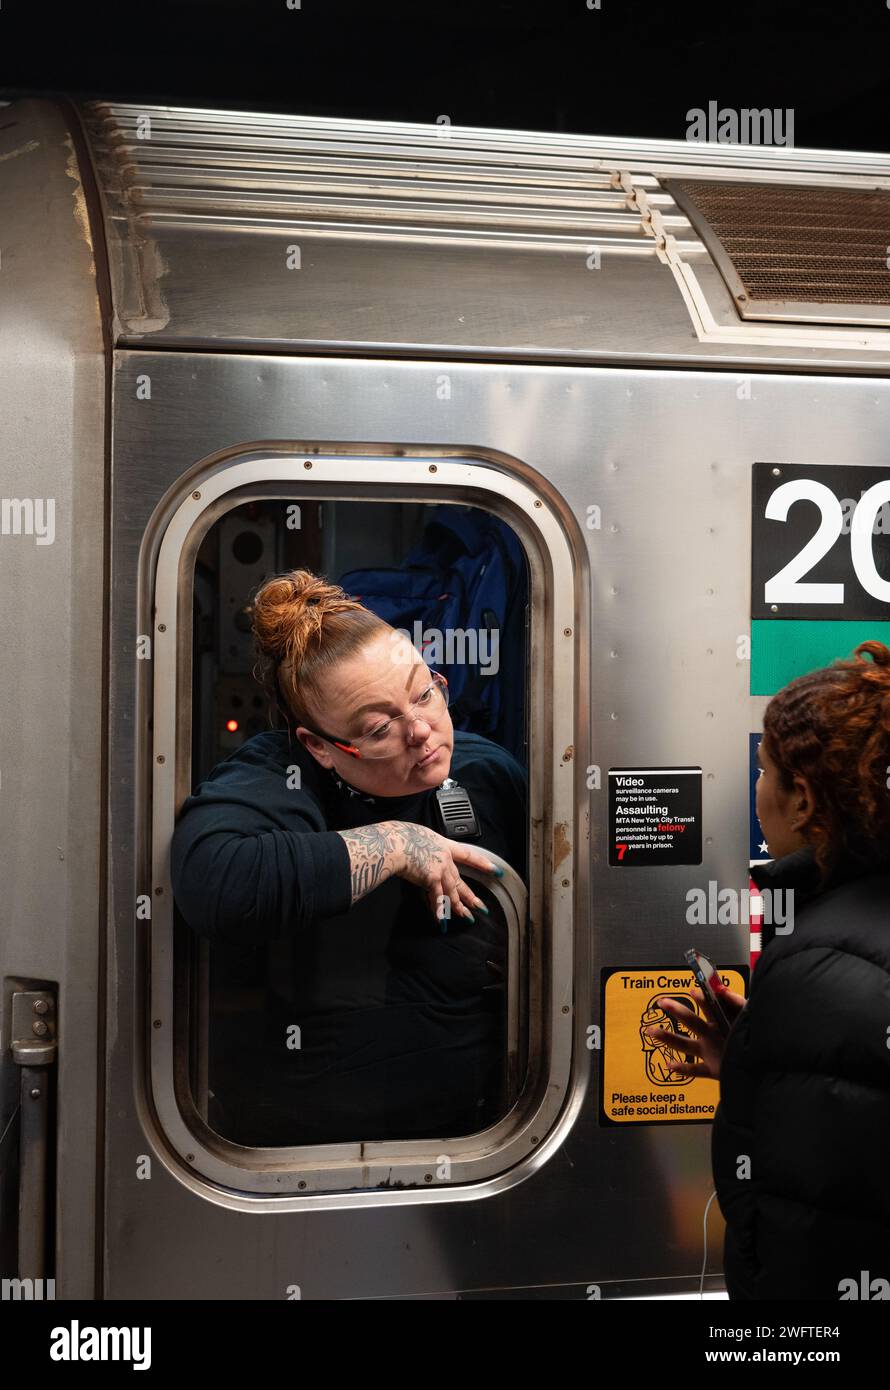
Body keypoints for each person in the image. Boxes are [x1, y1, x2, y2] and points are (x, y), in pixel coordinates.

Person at [171, 569, 527, 1146]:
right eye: (380, 726)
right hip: (309, 1139)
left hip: (483, 1131)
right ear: (318, 745)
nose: (422, 731)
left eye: (424, 691)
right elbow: (219, 883)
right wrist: (396, 844)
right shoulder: (280, 775)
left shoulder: (486, 772)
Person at [643, 640, 890, 1299]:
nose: (757, 792)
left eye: (763, 771)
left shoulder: (816, 963)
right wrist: (755, 1062)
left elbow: (810, 1228)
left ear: (803, 800)